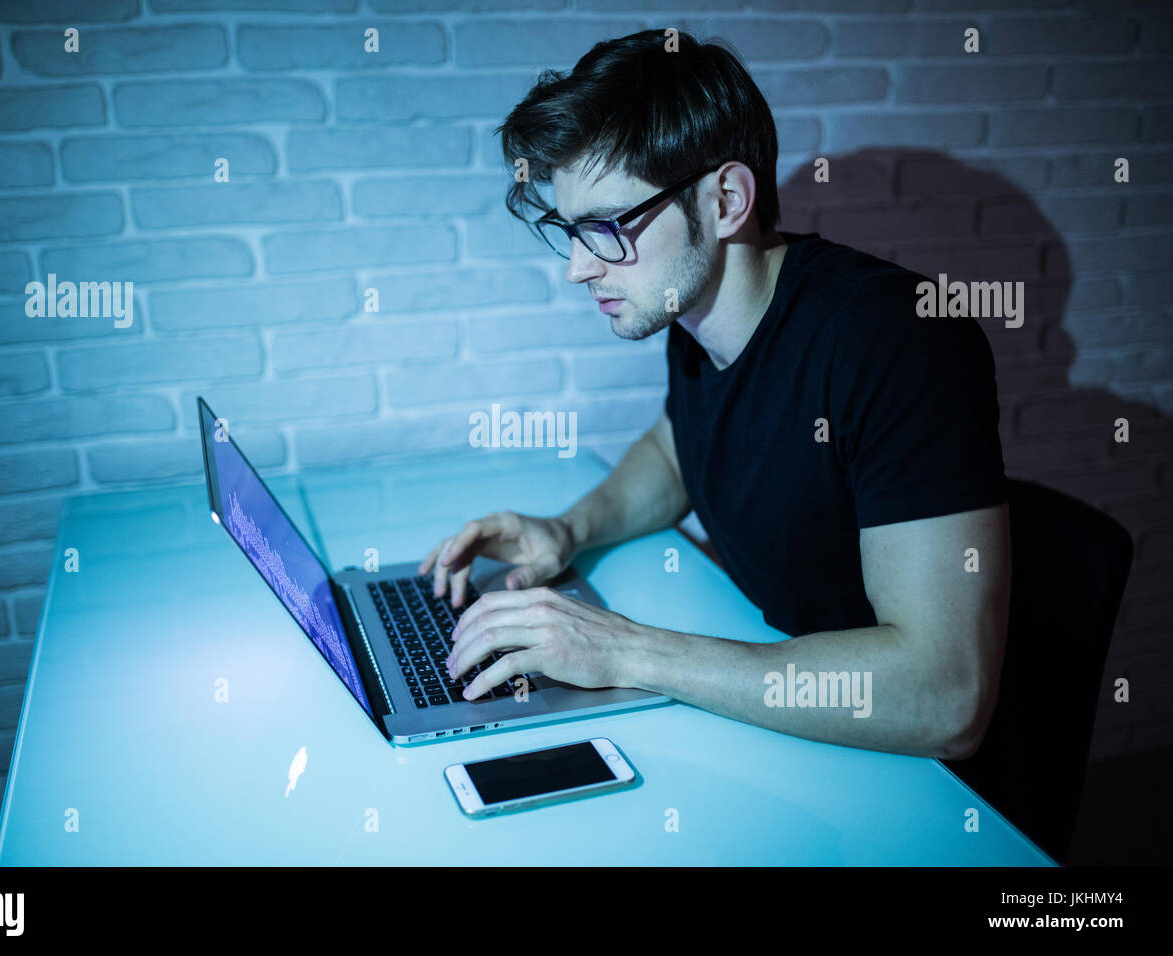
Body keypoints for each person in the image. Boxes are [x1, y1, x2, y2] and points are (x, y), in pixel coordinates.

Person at [419, 30, 1010, 760]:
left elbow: (946, 695)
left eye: (605, 227)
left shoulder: (899, 341)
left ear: (726, 198)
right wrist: (568, 531)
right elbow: (677, 451)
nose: (577, 268)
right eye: (567, 231)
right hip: (778, 715)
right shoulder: (693, 310)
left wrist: (629, 654)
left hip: (899, 769)